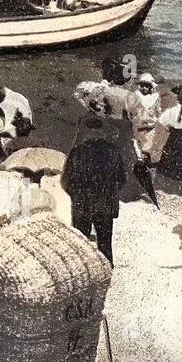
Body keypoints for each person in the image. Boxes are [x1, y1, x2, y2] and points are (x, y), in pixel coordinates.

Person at [62, 104, 128, 264]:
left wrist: (77, 195)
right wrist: (110, 192)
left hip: (82, 204)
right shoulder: (113, 151)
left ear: (86, 132)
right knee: (105, 245)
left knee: (81, 245)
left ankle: (84, 276)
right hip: (105, 204)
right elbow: (122, 179)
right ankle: (107, 274)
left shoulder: (77, 152)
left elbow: (66, 181)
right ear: (102, 133)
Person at [128, 71, 165, 160]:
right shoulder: (136, 95)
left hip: (150, 127)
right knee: (136, 145)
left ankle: (146, 161)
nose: (144, 88)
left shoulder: (155, 97)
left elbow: (158, 111)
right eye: (143, 85)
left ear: (151, 87)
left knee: (148, 147)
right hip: (137, 125)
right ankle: (138, 160)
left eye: (147, 86)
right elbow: (131, 109)